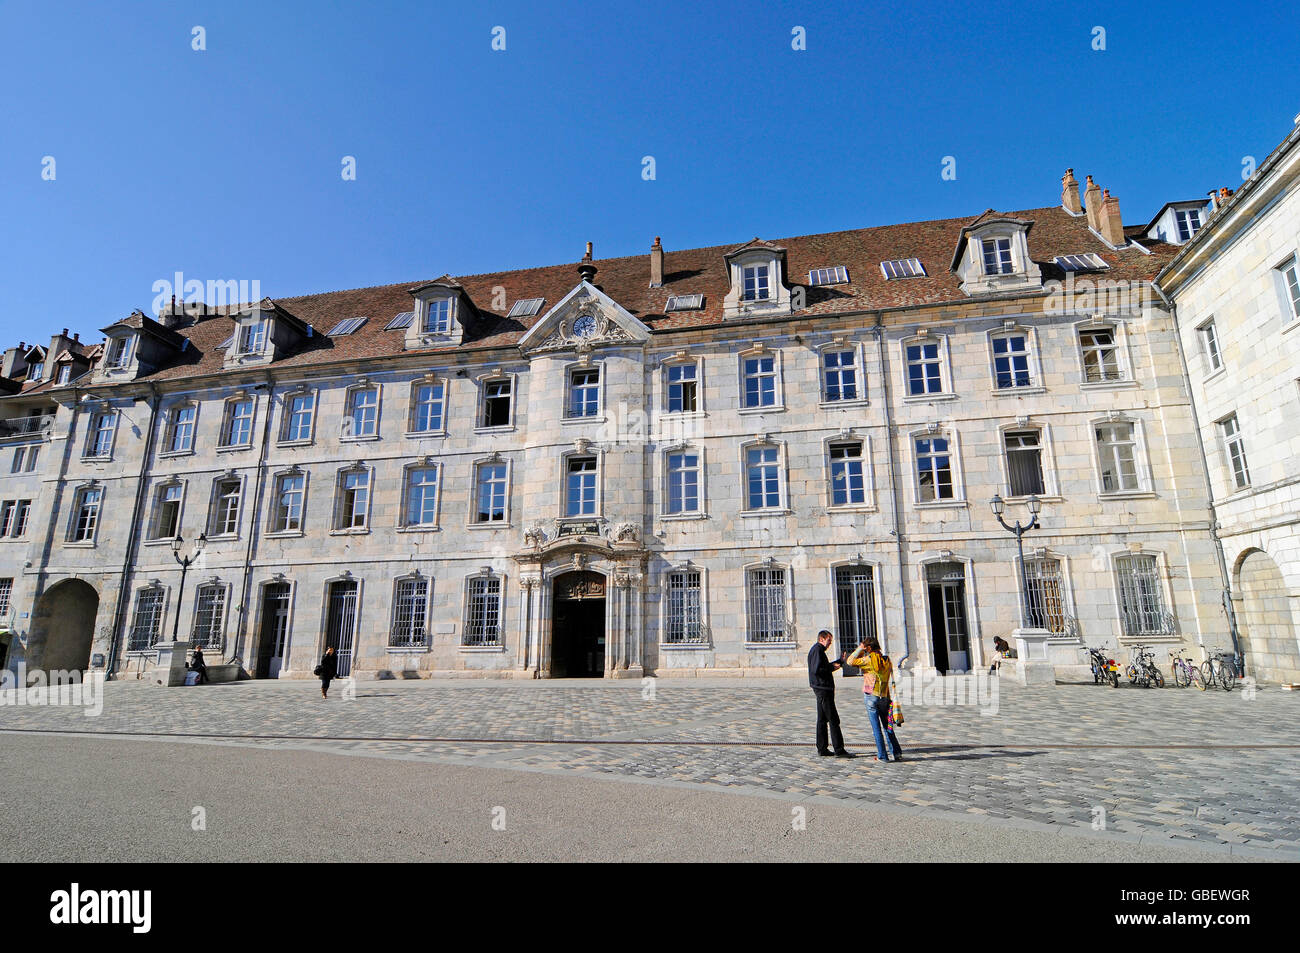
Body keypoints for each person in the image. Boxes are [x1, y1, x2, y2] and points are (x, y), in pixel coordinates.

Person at [846, 637, 903, 763]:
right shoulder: (886, 660)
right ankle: (896, 752)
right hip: (885, 696)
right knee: (888, 726)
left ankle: (882, 755)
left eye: (866, 648)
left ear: (869, 648)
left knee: (876, 729)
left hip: (871, 696)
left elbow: (850, 661)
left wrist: (860, 649)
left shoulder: (869, 660)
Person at [808, 630, 853, 758]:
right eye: (829, 641)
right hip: (823, 689)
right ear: (822, 639)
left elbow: (823, 666)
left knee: (822, 719)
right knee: (833, 719)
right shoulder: (818, 650)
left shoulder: (818, 650)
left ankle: (822, 748)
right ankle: (839, 749)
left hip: (821, 688)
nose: (830, 644)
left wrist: (839, 661)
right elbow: (818, 669)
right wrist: (833, 668)